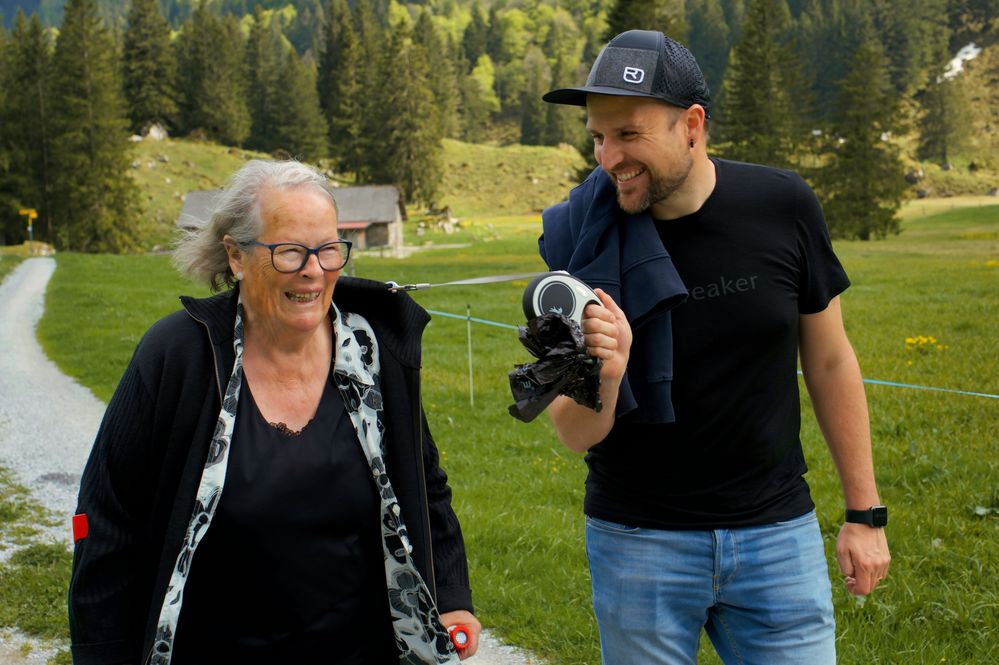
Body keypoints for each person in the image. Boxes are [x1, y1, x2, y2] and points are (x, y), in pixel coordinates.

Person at [538, 30, 891, 664]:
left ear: (693, 124)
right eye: (597, 136)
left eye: (629, 134)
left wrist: (865, 513)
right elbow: (573, 433)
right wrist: (608, 372)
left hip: (776, 538)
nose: (609, 157)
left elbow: (831, 359)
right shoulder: (581, 241)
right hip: (637, 540)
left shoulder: (783, 206)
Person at [68, 160, 480, 664]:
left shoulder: (373, 356)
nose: (314, 270)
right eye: (289, 252)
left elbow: (425, 482)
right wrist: (102, 652)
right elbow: (108, 518)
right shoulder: (177, 356)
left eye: (329, 250)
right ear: (236, 256)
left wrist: (453, 595)